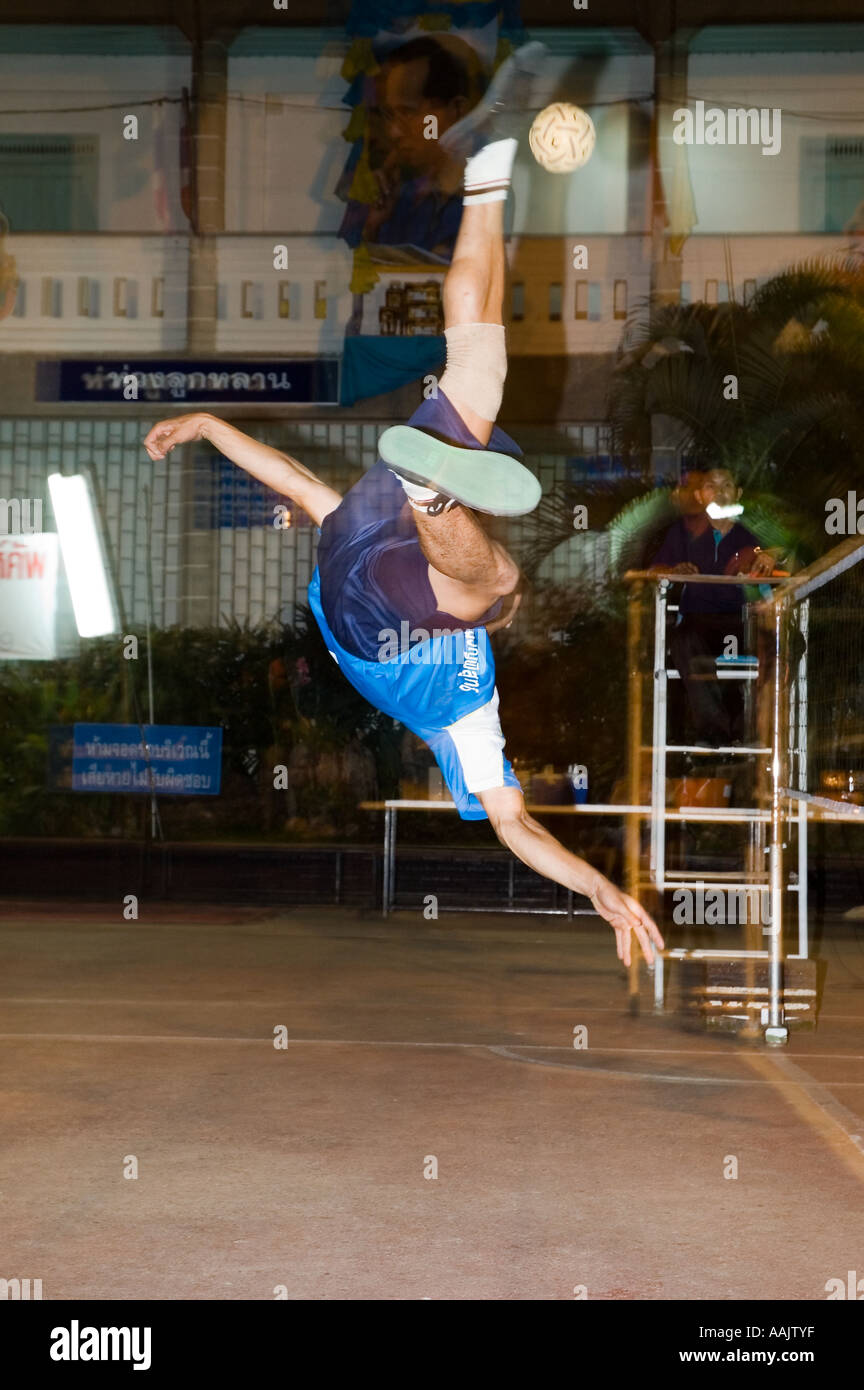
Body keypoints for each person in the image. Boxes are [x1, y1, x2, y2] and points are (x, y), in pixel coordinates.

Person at [144, 44, 663, 969]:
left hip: (361, 611)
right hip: (364, 530)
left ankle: (433, 492)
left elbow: (513, 829)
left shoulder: (465, 727)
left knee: (491, 585)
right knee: (481, 361)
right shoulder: (484, 706)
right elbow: (305, 492)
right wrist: (212, 426)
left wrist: (597, 890)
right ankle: (489, 167)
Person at [649, 466, 779, 747]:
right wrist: (674, 569)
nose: (719, 492)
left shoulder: (752, 537)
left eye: (727, 485)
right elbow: (653, 570)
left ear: (738, 493)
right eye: (711, 485)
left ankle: (757, 731)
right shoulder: (681, 534)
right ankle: (717, 730)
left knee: (782, 645)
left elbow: (788, 559)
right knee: (682, 641)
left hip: (743, 621)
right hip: (700, 622)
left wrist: (769, 558)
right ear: (699, 495)